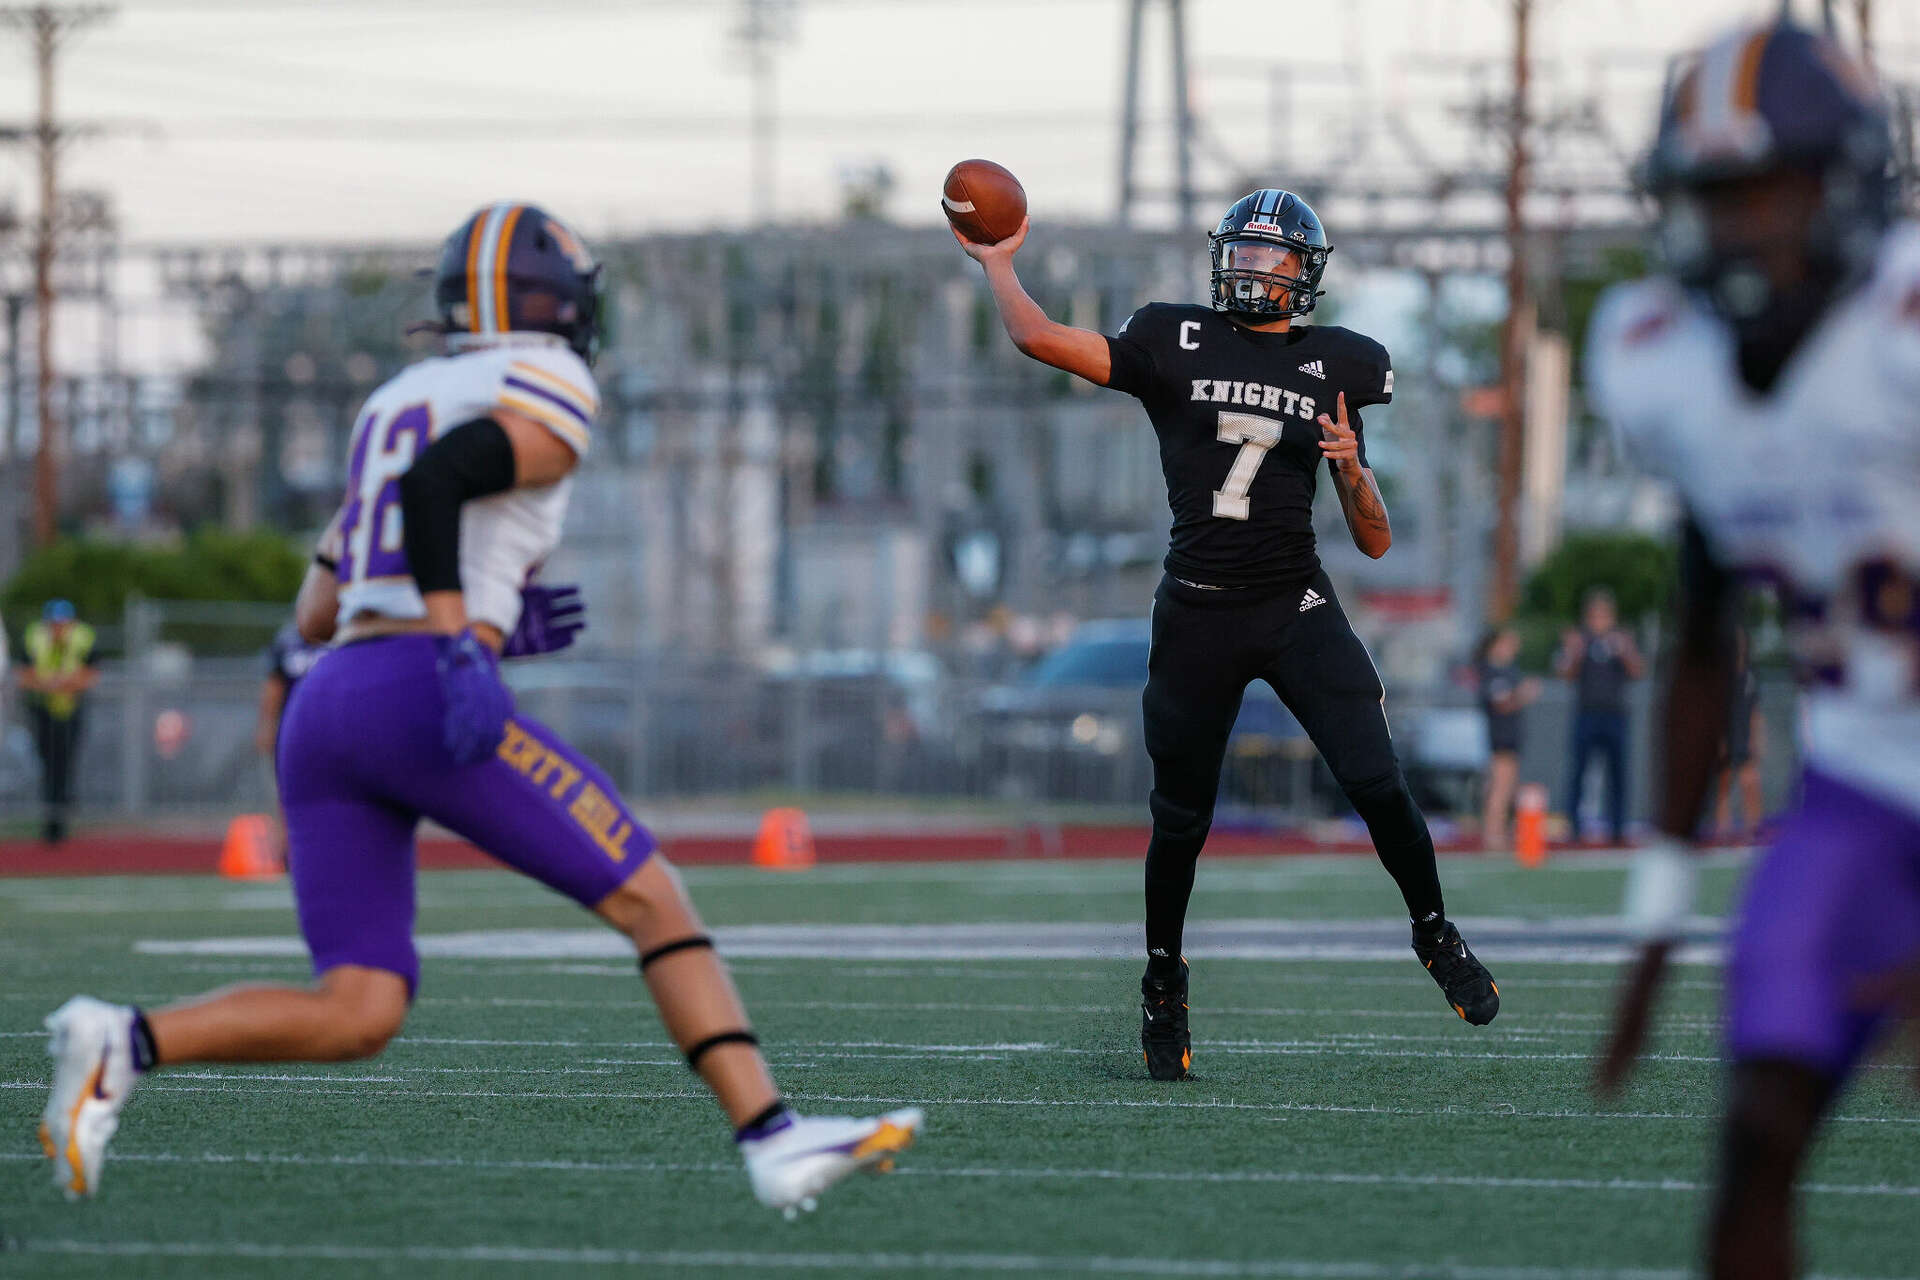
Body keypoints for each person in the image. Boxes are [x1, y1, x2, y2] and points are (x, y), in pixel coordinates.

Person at [40, 202, 921, 1212]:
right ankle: (770, 1134)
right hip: (416, 686)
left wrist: (485, 613)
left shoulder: (396, 395)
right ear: (557, 306)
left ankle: (123, 1041)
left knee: (361, 1005)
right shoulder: (548, 379)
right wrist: (465, 628)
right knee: (652, 895)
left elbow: (322, 603)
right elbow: (442, 482)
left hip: (330, 706)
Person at [956, 187, 1499, 1083]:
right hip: (1198, 609)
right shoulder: (1175, 338)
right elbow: (1038, 337)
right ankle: (1163, 983)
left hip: (1296, 608)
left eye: (1271, 256)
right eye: (1240, 253)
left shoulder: (1339, 365)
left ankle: (1433, 930)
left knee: (1378, 780)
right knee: (1180, 822)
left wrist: (1355, 471)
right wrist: (999, 265)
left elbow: (1374, 538)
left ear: (1305, 274)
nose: (1251, 269)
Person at [1587, 23, 1920, 1280]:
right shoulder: (1669, 365)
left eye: (1767, 192)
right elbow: (1705, 631)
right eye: (1716, 199)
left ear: (1846, 185)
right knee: (1755, 1127)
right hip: (1862, 789)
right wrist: (1656, 921)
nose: (1740, 232)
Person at [1554, 588, 1645, 845]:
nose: (1599, 620)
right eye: (1595, 615)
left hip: (1615, 715)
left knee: (1618, 773)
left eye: (1604, 615)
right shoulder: (1580, 640)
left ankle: (1617, 826)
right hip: (1586, 714)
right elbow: (1566, 675)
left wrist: (1626, 649)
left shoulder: (1620, 639)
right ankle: (1574, 825)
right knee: (1579, 770)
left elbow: (1637, 671)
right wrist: (1573, 651)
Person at [17, 599, 98, 845]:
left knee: (66, 763)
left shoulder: (83, 637)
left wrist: (62, 686)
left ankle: (60, 818)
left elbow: (91, 674)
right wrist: (49, 686)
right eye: (54, 623)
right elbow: (25, 674)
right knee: (47, 763)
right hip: (42, 709)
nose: (58, 628)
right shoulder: (35, 637)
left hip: (71, 709)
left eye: (62, 623)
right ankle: (51, 819)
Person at [1475, 627, 1540, 852]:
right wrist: (1523, 694)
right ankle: (1493, 834)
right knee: (1500, 786)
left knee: (1507, 785)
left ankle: (1500, 830)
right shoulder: (1492, 671)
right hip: (1500, 735)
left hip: (1510, 735)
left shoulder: (1507, 670)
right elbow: (1501, 703)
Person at [1713, 627, 1766, 840]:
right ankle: (1722, 830)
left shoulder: (1750, 675)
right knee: (1723, 785)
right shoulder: (1721, 675)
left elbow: (1755, 711)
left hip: (1744, 735)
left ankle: (1753, 828)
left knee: (1750, 781)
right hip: (1726, 735)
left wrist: (1758, 739)